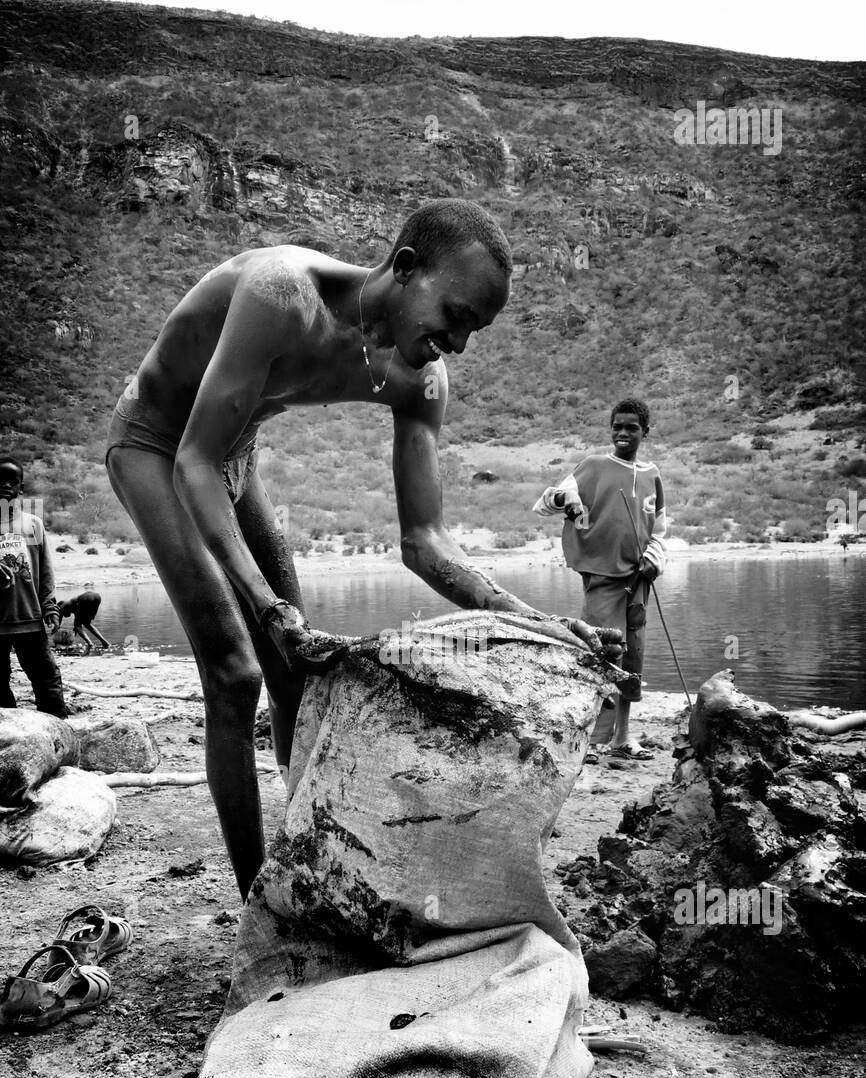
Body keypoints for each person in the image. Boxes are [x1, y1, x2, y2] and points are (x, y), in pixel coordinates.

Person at [105, 199, 620, 899]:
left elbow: (424, 541)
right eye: (456, 316)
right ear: (405, 269)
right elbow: (194, 460)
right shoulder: (282, 297)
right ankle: (257, 901)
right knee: (235, 671)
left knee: (294, 671)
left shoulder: (421, 377)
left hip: (233, 452)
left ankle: (300, 864)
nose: (459, 343)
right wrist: (266, 606)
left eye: (475, 329)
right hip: (156, 443)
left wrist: (537, 623)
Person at [533, 398, 667, 756]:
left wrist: (654, 559)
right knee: (601, 655)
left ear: (645, 431)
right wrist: (565, 500)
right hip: (602, 576)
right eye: (617, 426)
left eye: (632, 428)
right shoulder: (593, 466)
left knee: (632, 655)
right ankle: (591, 741)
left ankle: (622, 736)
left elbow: (659, 530)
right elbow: (545, 504)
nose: (623, 433)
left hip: (638, 580)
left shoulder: (652, 475)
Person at [0, 456, 68, 718]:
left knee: (46, 679)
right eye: (0, 480)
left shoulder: (32, 524)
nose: (5, 485)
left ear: (21, 487)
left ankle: (58, 730)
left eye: (12, 481)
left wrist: (50, 607)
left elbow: (46, 571)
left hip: (30, 618)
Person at [58, 586, 110, 651]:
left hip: (86, 598)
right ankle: (104, 642)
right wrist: (70, 641)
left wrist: (56, 629)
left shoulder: (62, 606)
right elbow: (76, 628)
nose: (65, 616)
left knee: (78, 625)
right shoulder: (72, 606)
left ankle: (90, 644)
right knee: (87, 624)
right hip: (97, 597)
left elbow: (59, 620)